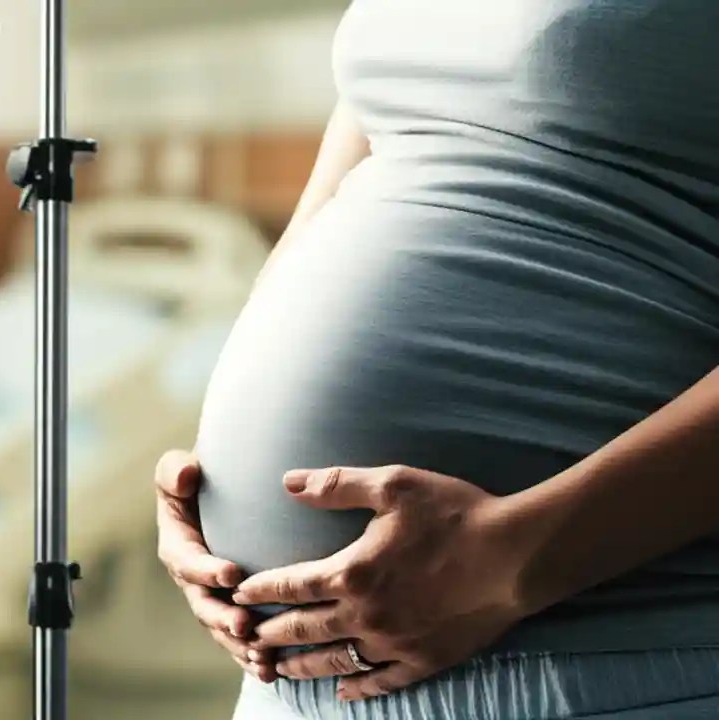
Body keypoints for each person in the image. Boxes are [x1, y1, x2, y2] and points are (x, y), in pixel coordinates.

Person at [154, 2, 719, 718]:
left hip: (601, 664)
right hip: (292, 689)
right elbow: (327, 214)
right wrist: (209, 486)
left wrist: (514, 562)